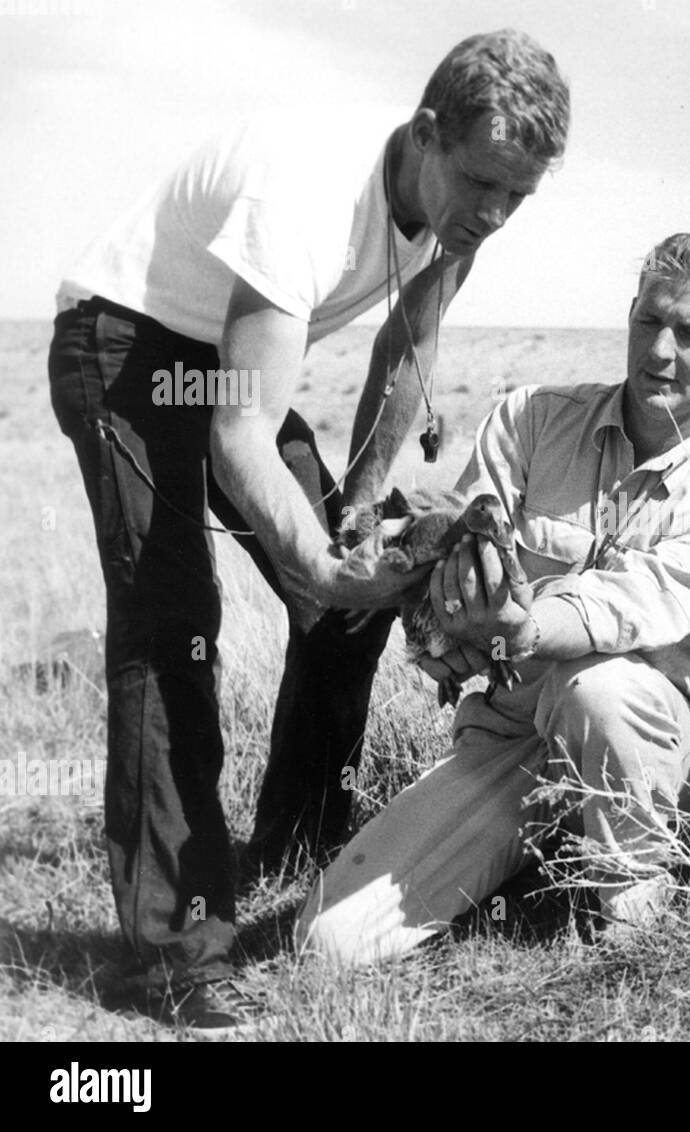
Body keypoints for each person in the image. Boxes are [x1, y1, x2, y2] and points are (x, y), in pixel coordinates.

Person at [46, 29, 570, 1032]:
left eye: (519, 195)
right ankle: (174, 951)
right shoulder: (306, 194)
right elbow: (240, 427)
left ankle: (293, 860)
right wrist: (325, 565)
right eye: (482, 183)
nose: (495, 213)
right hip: (123, 343)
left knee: (341, 611)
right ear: (425, 136)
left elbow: (407, 342)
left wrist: (364, 505)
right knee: (174, 624)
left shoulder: (459, 218)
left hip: (223, 358)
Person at [294, 230, 690, 966]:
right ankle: (541, 846)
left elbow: (619, 607)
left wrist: (517, 624)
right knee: (326, 942)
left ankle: (630, 909)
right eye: (648, 321)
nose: (659, 352)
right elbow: (449, 589)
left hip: (646, 745)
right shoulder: (530, 419)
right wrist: (432, 604)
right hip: (515, 733)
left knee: (604, 685)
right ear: (629, 315)